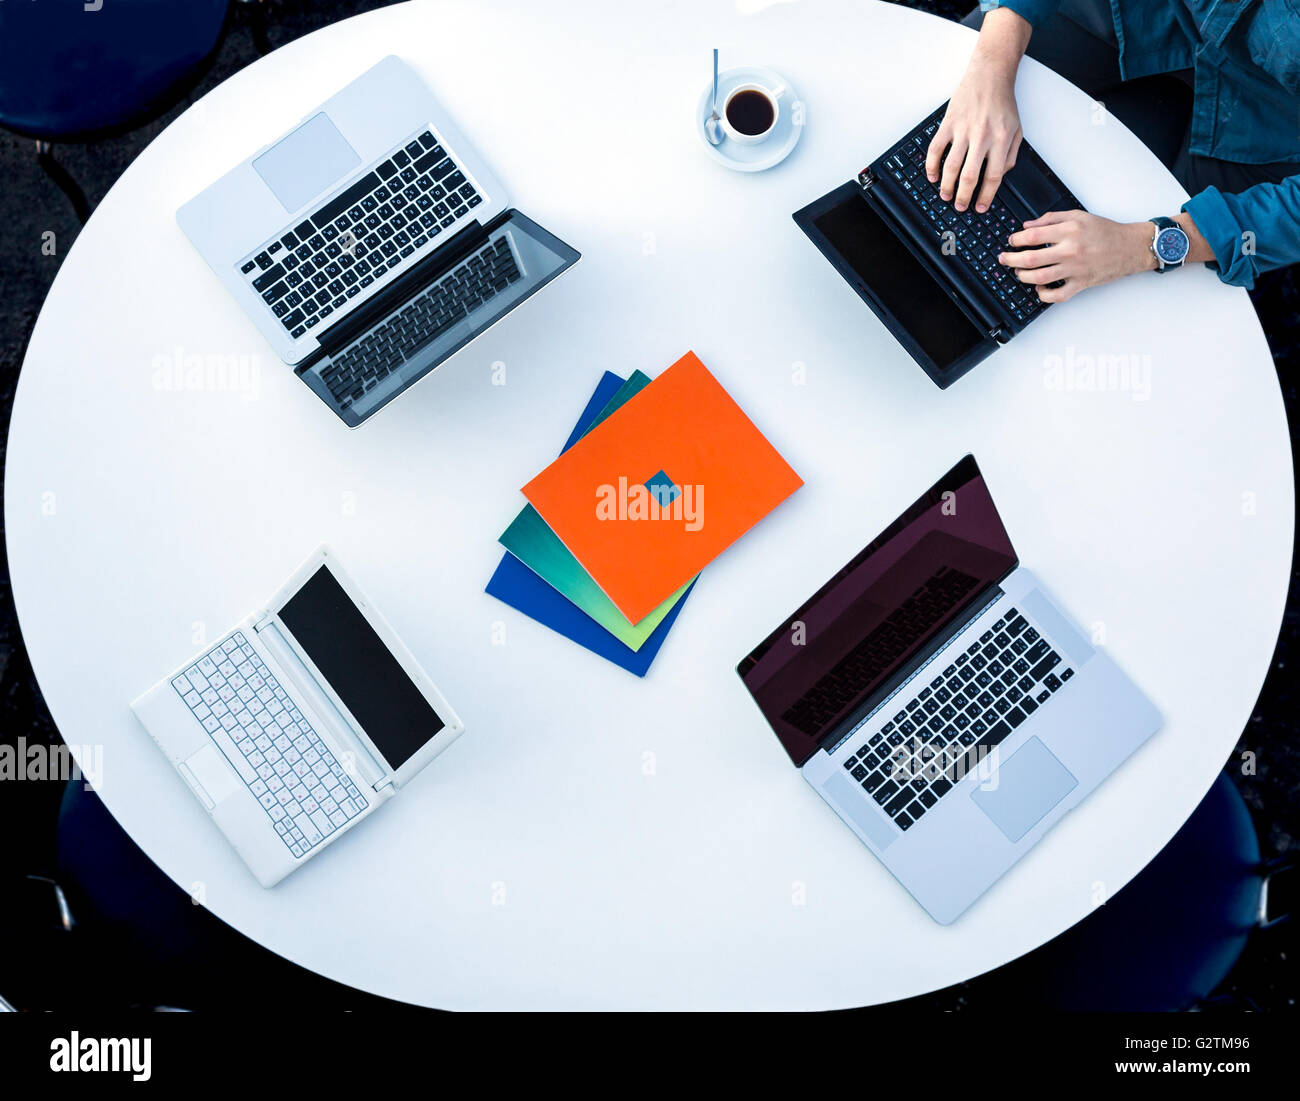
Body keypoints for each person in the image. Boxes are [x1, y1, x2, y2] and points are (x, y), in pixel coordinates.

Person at [929, 0, 1300, 300]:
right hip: (1134, 11)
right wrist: (991, 66)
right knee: (940, 94)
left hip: (1267, 133)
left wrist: (1145, 246)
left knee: (1140, 295)